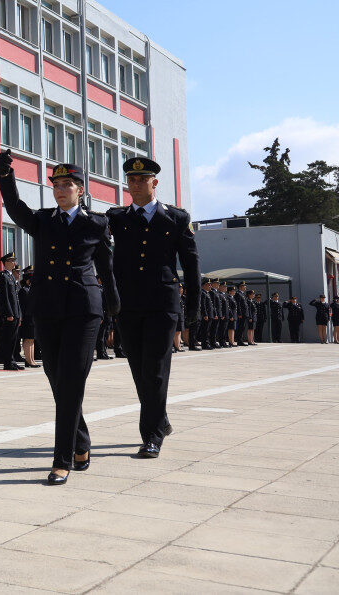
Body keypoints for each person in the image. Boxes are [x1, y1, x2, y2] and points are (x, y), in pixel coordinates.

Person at [0, 152, 119, 485]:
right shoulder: (43, 220)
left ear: (80, 190)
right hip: (48, 307)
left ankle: (61, 459)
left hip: (83, 309)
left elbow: (106, 267)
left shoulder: (96, 223)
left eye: (67, 185)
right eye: (57, 185)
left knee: (72, 380)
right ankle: (81, 440)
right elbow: (14, 208)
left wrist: (114, 301)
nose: (61, 190)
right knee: (57, 378)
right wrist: (5, 176)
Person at [105, 156, 199, 460]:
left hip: (162, 303)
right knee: (138, 369)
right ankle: (161, 419)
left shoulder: (176, 218)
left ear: (154, 182)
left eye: (142, 179)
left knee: (155, 369)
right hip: (128, 304)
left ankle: (151, 436)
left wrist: (194, 305)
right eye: (131, 180)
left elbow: (191, 264)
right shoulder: (116, 218)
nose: (135, 184)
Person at [0, 253, 22, 370]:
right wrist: (9, 313)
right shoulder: (3, 277)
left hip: (15, 313)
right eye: (11, 261)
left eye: (14, 260)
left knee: (14, 339)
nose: (14, 263)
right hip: (10, 314)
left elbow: (16, 298)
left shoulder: (11, 277)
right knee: (8, 339)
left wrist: (19, 314)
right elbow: (5, 297)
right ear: (6, 263)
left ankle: (12, 360)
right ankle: (8, 362)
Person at [19, 268, 38, 367]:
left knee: (32, 340)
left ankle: (32, 359)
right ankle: (28, 360)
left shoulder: (31, 289)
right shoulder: (23, 290)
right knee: (27, 339)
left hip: (32, 318)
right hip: (27, 318)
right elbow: (23, 306)